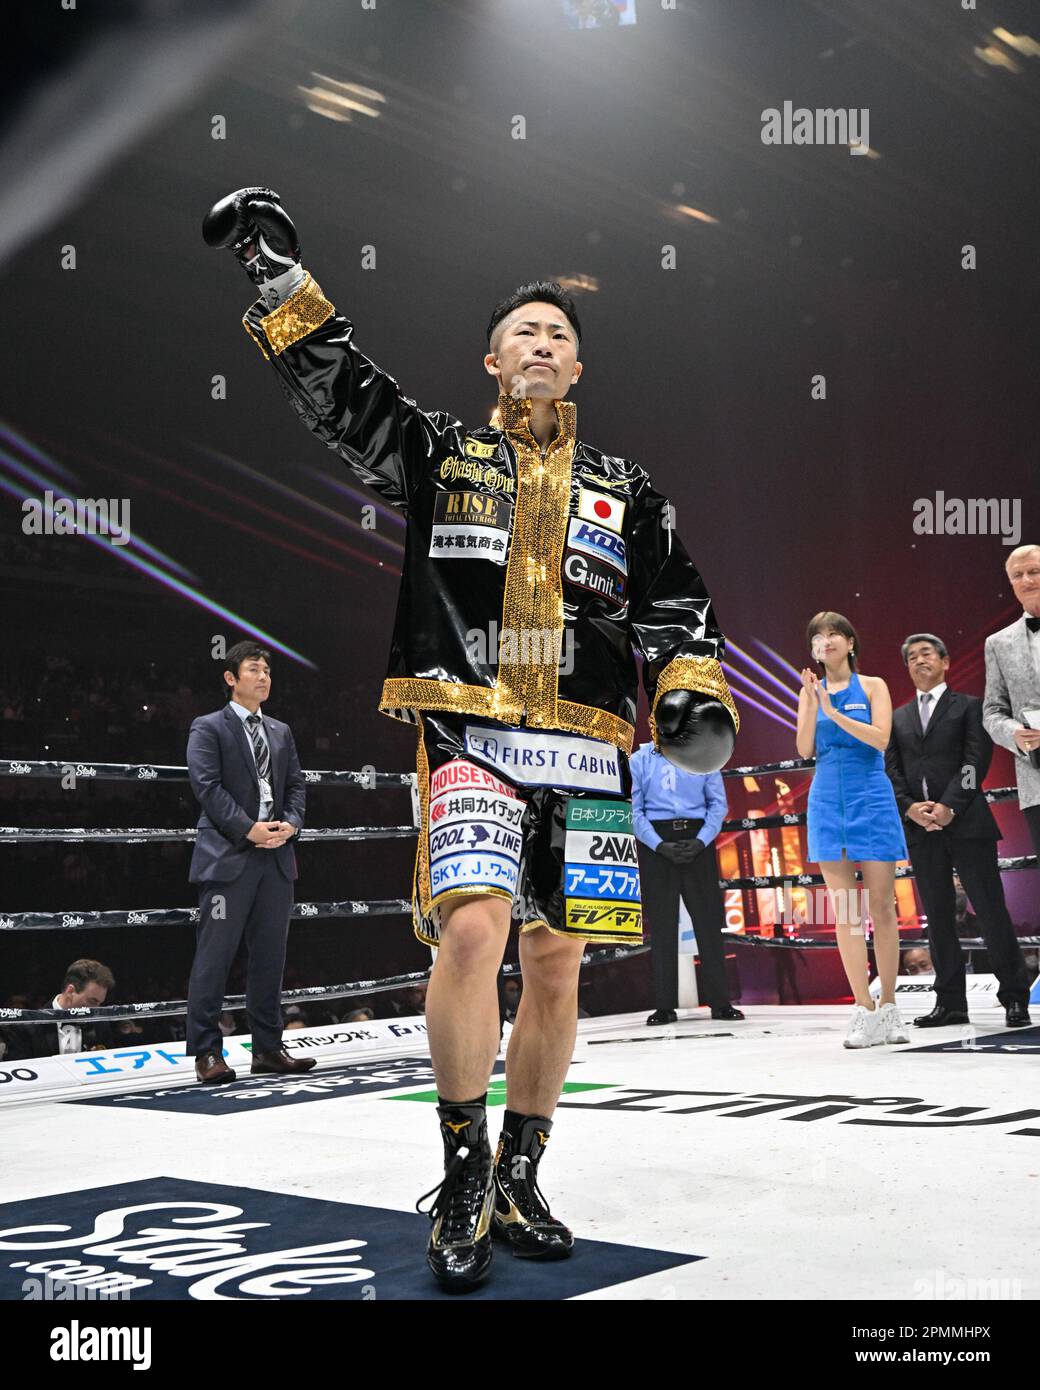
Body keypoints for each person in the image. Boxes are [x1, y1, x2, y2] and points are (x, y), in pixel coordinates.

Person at [203, 187, 739, 1292]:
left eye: (558, 336)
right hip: (469, 730)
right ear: (491, 361)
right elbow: (342, 396)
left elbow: (676, 607)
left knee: (556, 964)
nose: (542, 346)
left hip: (587, 747)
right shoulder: (437, 453)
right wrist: (279, 281)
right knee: (472, 935)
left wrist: (689, 694)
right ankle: (459, 1171)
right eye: (523, 334)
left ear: (576, 370)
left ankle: (520, 1174)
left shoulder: (626, 489)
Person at [885, 633, 1031, 1029]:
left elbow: (974, 762)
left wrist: (950, 805)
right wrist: (911, 808)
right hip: (921, 828)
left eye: (926, 653)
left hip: (967, 824)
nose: (919, 661)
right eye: (911, 656)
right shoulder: (897, 717)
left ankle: (1014, 998)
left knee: (990, 910)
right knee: (937, 917)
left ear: (945, 661)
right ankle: (950, 1003)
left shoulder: (969, 707)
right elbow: (892, 770)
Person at [185, 641, 312, 1085]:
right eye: (254, 670)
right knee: (213, 957)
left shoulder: (281, 731)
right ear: (231, 678)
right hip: (228, 857)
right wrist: (248, 829)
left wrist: (290, 825)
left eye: (268, 671)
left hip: (276, 859)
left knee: (270, 958)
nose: (263, 677)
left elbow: (296, 786)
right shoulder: (207, 727)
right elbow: (208, 788)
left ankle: (268, 1049)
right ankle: (206, 1053)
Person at [797, 612, 908, 1049]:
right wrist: (812, 703)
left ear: (849, 642)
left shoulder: (875, 686)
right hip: (827, 797)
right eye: (817, 637)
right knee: (845, 911)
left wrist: (832, 712)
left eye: (833, 634)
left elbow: (880, 739)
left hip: (871, 795)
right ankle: (862, 1009)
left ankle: (890, 1006)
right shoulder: (810, 693)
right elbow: (805, 748)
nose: (826, 642)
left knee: (881, 906)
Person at [630, 742, 743, 1024]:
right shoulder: (640, 759)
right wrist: (658, 845)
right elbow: (633, 808)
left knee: (708, 925)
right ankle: (664, 1006)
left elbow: (718, 803)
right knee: (662, 925)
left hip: (698, 839)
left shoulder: (704, 750)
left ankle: (720, 1003)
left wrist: (702, 840)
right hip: (657, 843)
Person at [983, 544, 1040, 862]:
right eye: (1018, 575)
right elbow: (992, 710)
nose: (1027, 580)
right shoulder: (998, 643)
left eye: (1034, 571)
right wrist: (1014, 733)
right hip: (1036, 780)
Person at [0, 960, 114, 1060]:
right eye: (92, 1001)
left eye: (100, 1003)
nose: (97, 1009)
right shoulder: (27, 1028)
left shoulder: (100, 1023)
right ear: (70, 991)